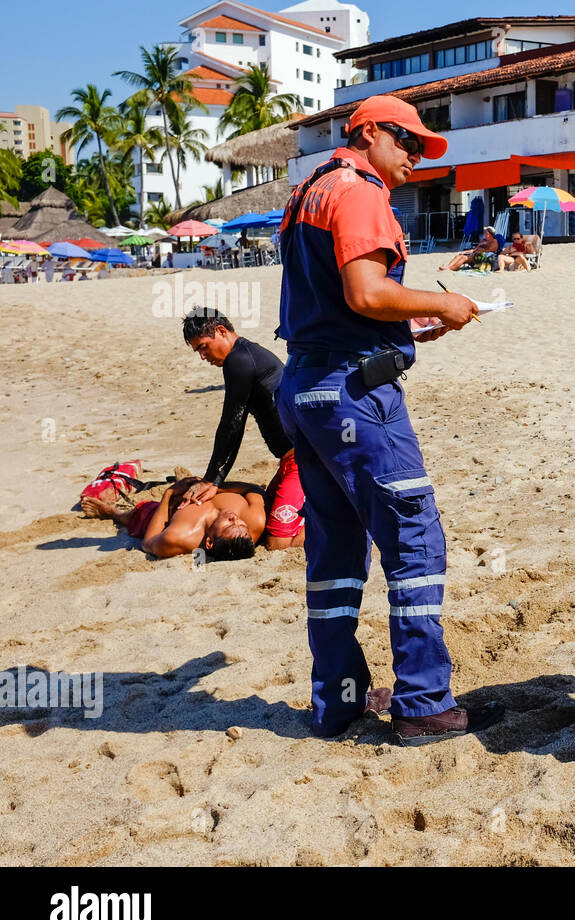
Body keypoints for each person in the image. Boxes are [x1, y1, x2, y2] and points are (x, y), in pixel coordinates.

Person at [275, 94, 504, 744]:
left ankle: (338, 702)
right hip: (355, 394)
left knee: (335, 550)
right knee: (413, 539)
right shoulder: (359, 190)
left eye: (421, 148)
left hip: (307, 385)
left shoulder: (310, 190)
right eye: (406, 141)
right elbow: (366, 292)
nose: (415, 157)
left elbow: (340, 303)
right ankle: (425, 704)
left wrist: (406, 324)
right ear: (368, 131)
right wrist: (445, 303)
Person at [179, 308, 304, 550]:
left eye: (204, 347)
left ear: (221, 331)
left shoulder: (240, 360)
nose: (203, 357)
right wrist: (214, 479)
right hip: (291, 461)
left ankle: (349, 523)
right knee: (266, 517)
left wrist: (212, 480)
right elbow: (235, 424)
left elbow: (232, 423)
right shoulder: (244, 356)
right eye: (198, 351)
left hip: (303, 462)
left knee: (278, 542)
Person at [82, 476, 263, 561]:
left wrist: (168, 494)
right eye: (242, 524)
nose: (235, 518)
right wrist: (214, 486)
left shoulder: (180, 536)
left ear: (209, 542)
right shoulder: (255, 520)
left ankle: (114, 513)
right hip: (208, 486)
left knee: (143, 514)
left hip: (171, 510)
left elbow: (148, 542)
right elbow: (255, 490)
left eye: (229, 524)